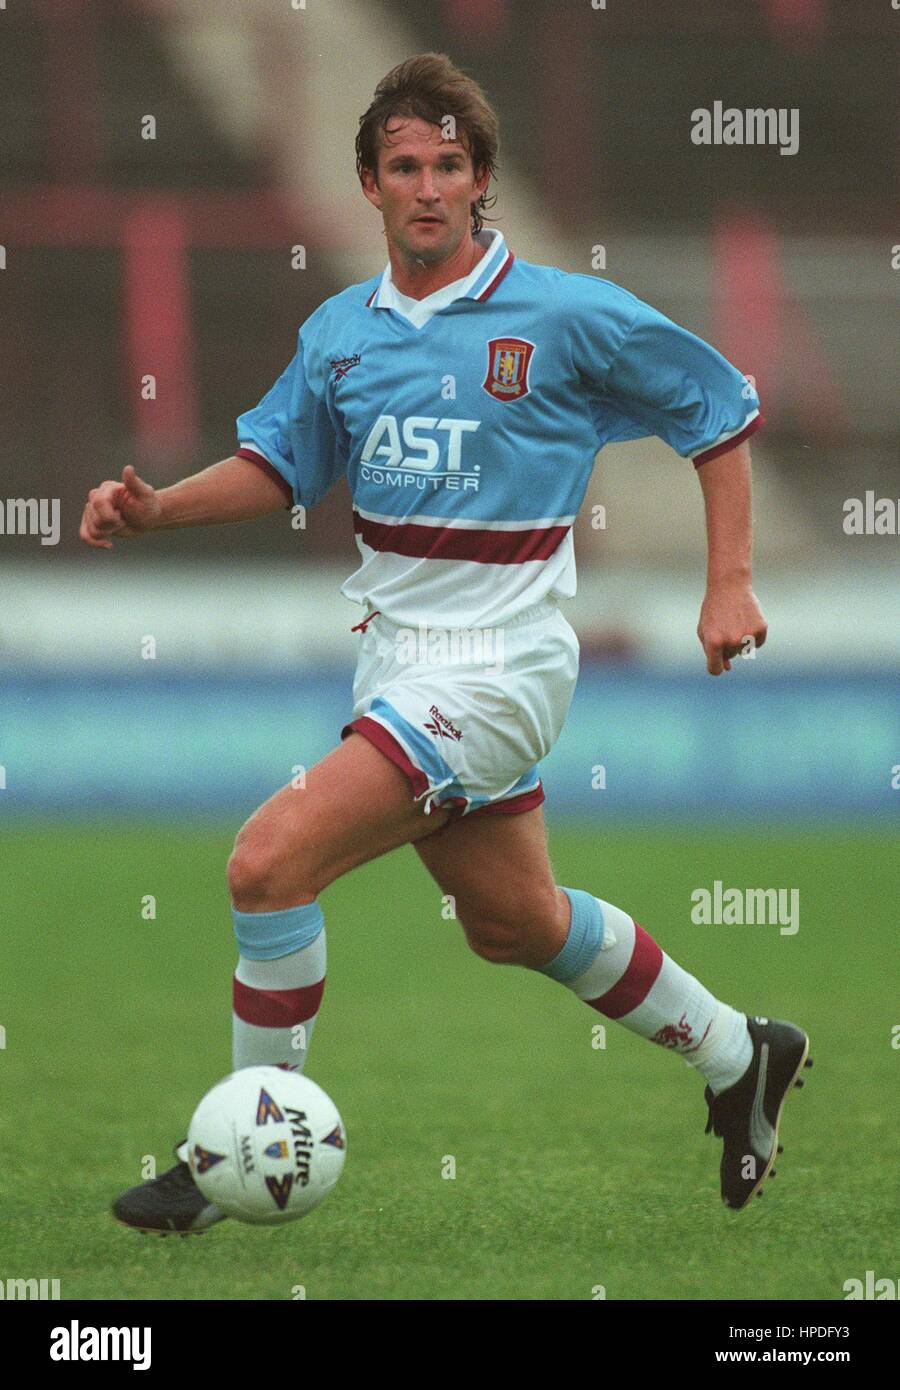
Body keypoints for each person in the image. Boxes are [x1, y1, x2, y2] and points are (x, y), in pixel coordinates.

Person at [80, 54, 810, 1234]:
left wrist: (728, 584)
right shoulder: (340, 334)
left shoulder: (567, 314)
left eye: (451, 166)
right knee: (513, 923)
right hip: (399, 656)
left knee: (268, 864)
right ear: (368, 183)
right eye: (405, 166)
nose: (429, 187)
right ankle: (740, 1052)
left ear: (482, 182)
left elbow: (718, 406)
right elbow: (279, 465)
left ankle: (237, 1149)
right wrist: (158, 507)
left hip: (503, 662)